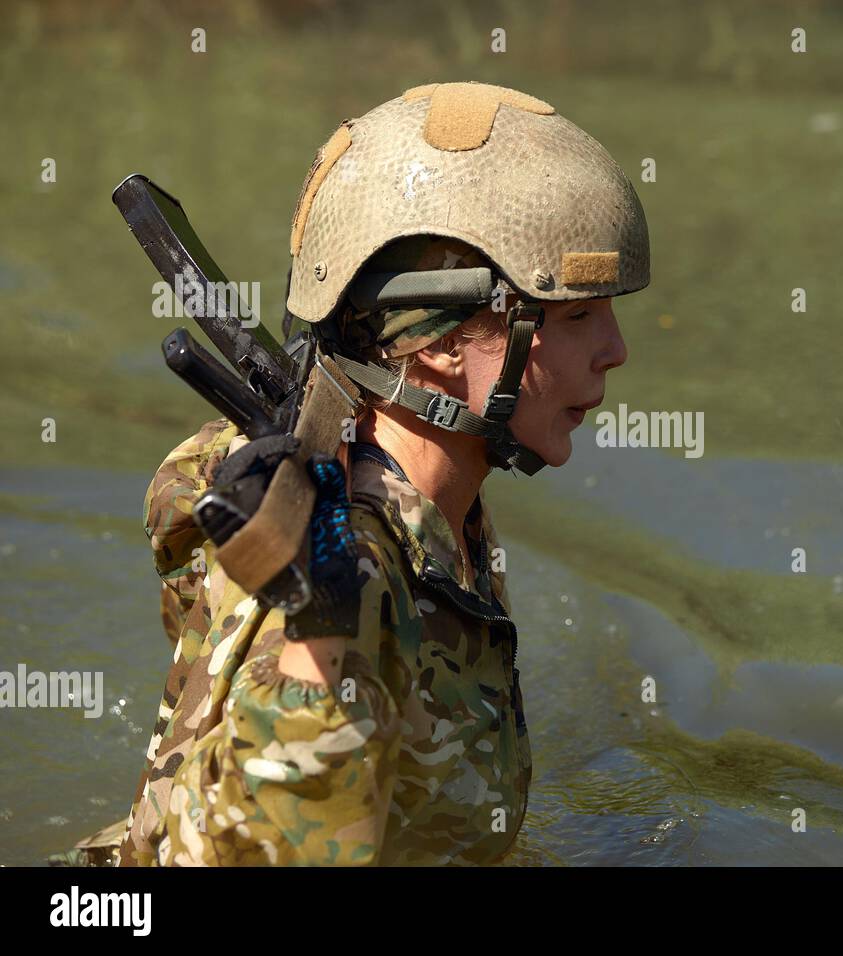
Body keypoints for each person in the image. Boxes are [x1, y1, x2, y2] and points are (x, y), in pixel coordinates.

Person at [52, 80, 649, 866]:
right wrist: (322, 632)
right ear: (436, 345)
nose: (615, 350)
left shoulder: (426, 498)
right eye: (576, 317)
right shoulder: (343, 571)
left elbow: (181, 525)